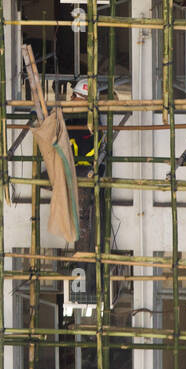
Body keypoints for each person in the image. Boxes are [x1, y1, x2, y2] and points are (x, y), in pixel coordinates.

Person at [67, 77, 103, 254]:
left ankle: (81, 256)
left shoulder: (88, 124)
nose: (71, 99)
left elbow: (78, 142)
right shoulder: (80, 119)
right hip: (80, 171)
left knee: (82, 219)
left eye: (74, 96)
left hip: (85, 172)